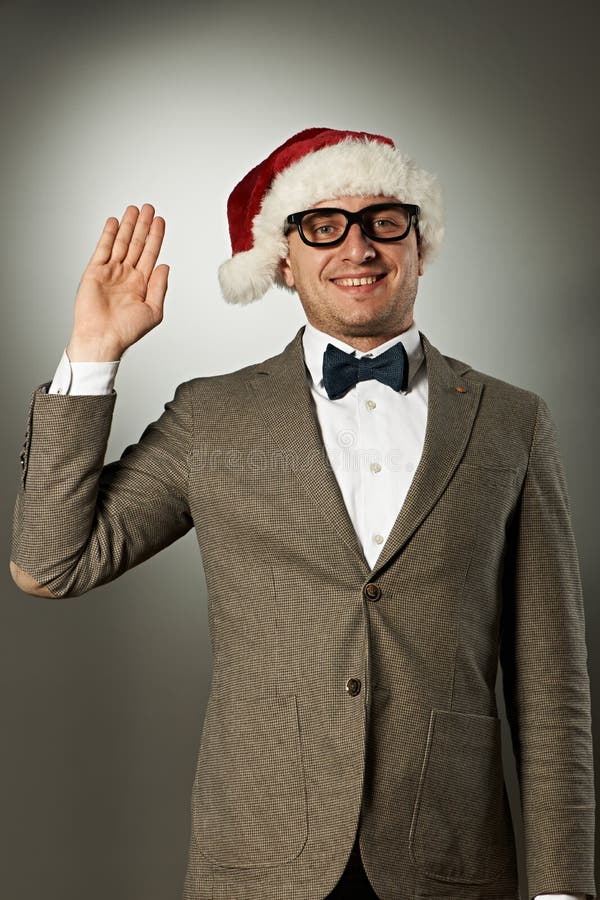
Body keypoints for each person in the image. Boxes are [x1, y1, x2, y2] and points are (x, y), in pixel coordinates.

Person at [10, 127, 595, 900]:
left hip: (448, 862)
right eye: (324, 226)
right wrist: (94, 352)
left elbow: (551, 681)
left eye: (385, 220)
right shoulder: (212, 417)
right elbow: (51, 563)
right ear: (284, 259)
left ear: (420, 245)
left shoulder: (512, 421)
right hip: (256, 861)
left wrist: (562, 888)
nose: (358, 247)